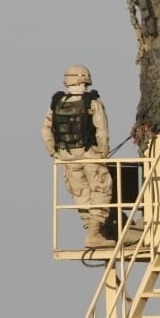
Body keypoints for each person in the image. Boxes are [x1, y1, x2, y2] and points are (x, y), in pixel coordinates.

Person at [42, 64, 115, 248]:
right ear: (86, 79)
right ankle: (95, 233)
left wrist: (54, 152)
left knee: (80, 193)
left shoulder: (57, 102)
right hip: (90, 154)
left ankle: (92, 230)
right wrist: (103, 152)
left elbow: (45, 131)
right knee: (101, 190)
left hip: (67, 157)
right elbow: (102, 130)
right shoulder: (92, 101)